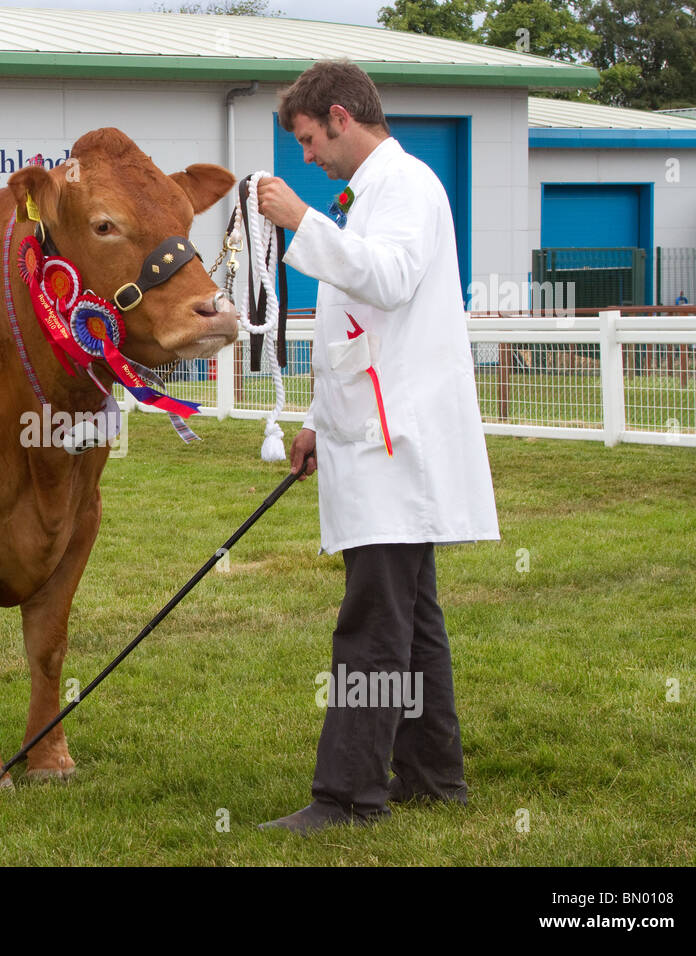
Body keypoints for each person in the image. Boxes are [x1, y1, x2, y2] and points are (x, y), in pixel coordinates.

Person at [254, 60, 500, 834]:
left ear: (338, 115)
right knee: (411, 621)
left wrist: (299, 221)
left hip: (397, 446)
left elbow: (387, 281)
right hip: (372, 438)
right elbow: (356, 333)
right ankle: (432, 776)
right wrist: (319, 426)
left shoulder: (408, 187)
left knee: (372, 625)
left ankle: (347, 796)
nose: (306, 156)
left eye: (307, 138)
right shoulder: (371, 196)